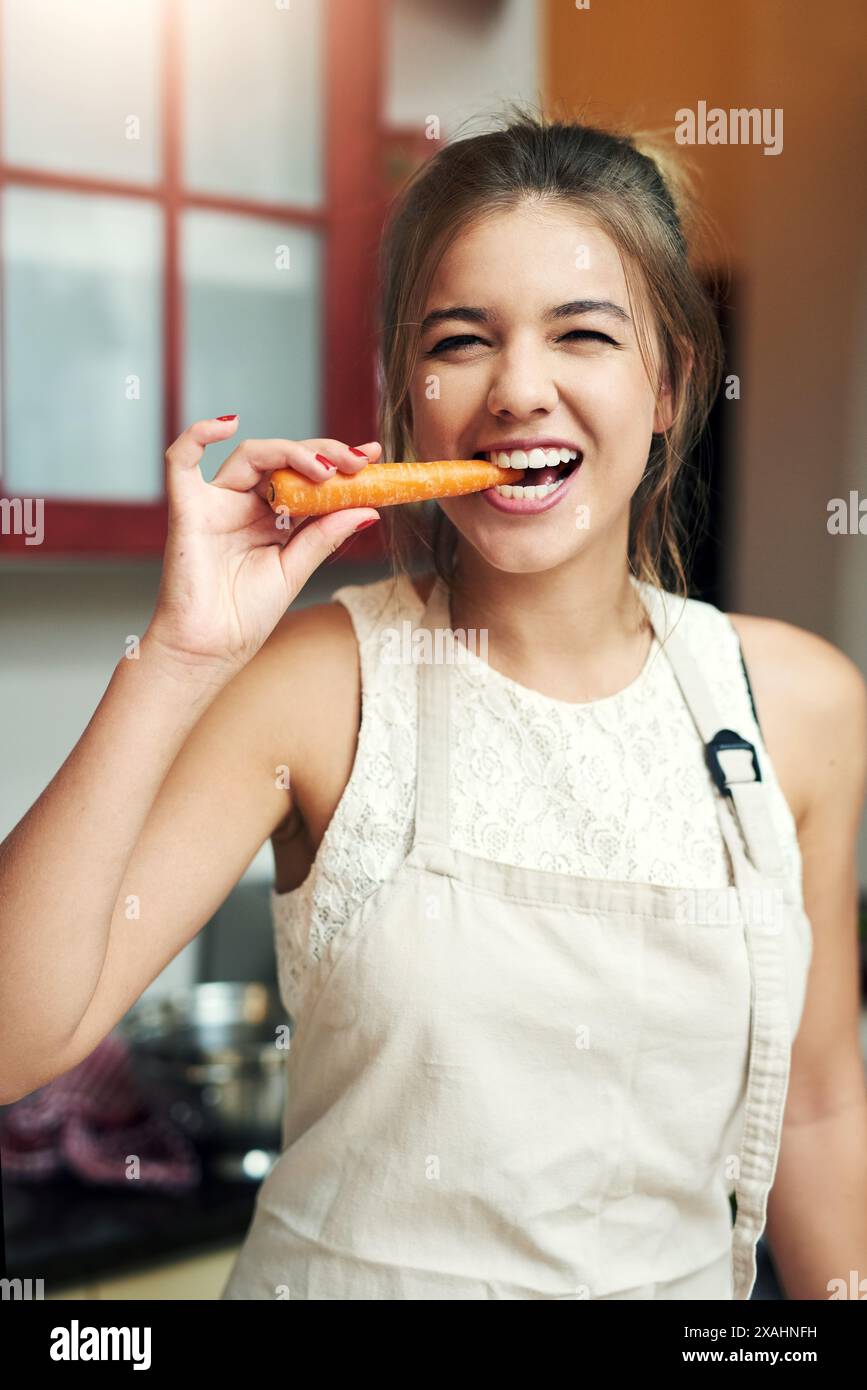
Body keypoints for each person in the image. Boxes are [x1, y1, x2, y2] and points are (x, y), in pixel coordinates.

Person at [1, 108, 865, 1301]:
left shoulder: (795, 708)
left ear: (669, 381)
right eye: (463, 341)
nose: (519, 390)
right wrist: (180, 654)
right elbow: (16, 1036)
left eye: (583, 334)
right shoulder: (315, 685)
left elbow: (817, 1107)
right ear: (410, 394)